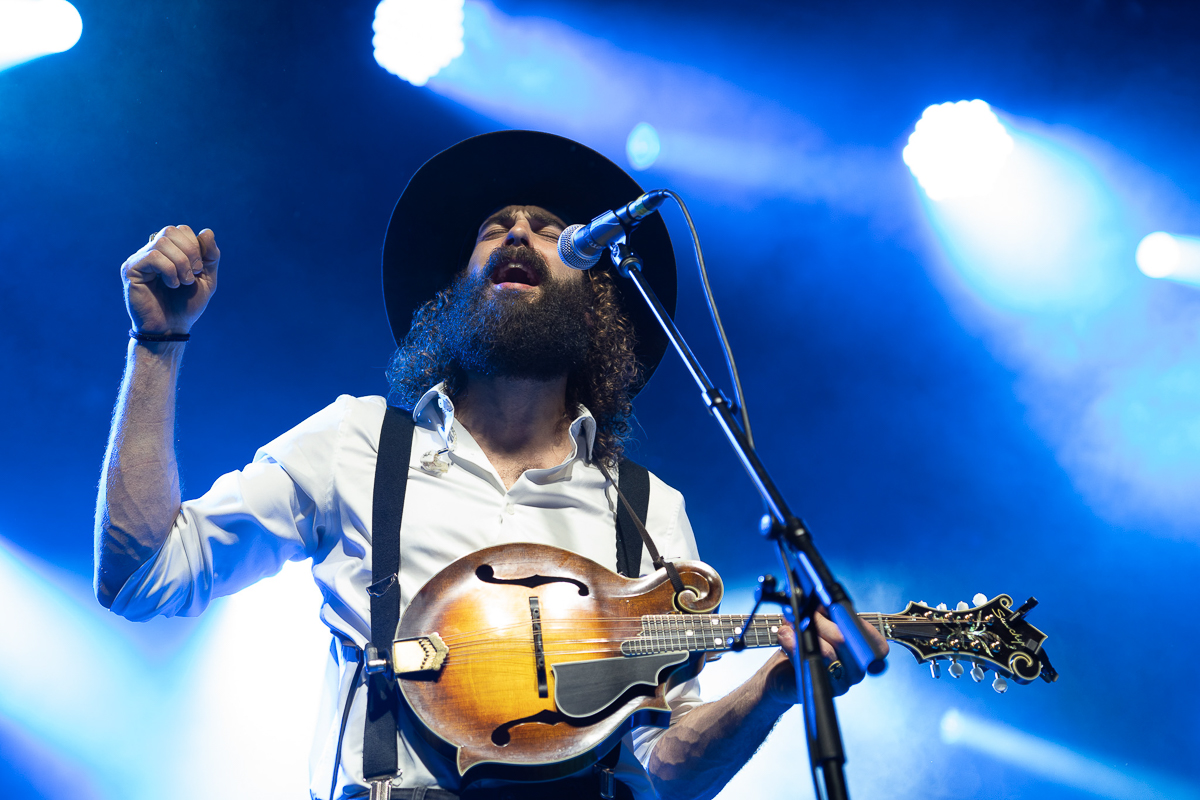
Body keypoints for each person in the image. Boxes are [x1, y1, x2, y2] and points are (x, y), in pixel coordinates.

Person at [94, 130, 887, 800]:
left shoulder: (647, 512)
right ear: (455, 290)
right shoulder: (355, 444)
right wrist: (157, 343)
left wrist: (773, 688)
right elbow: (144, 576)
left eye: (549, 229)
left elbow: (665, 771)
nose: (518, 234)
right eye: (495, 227)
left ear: (598, 300)